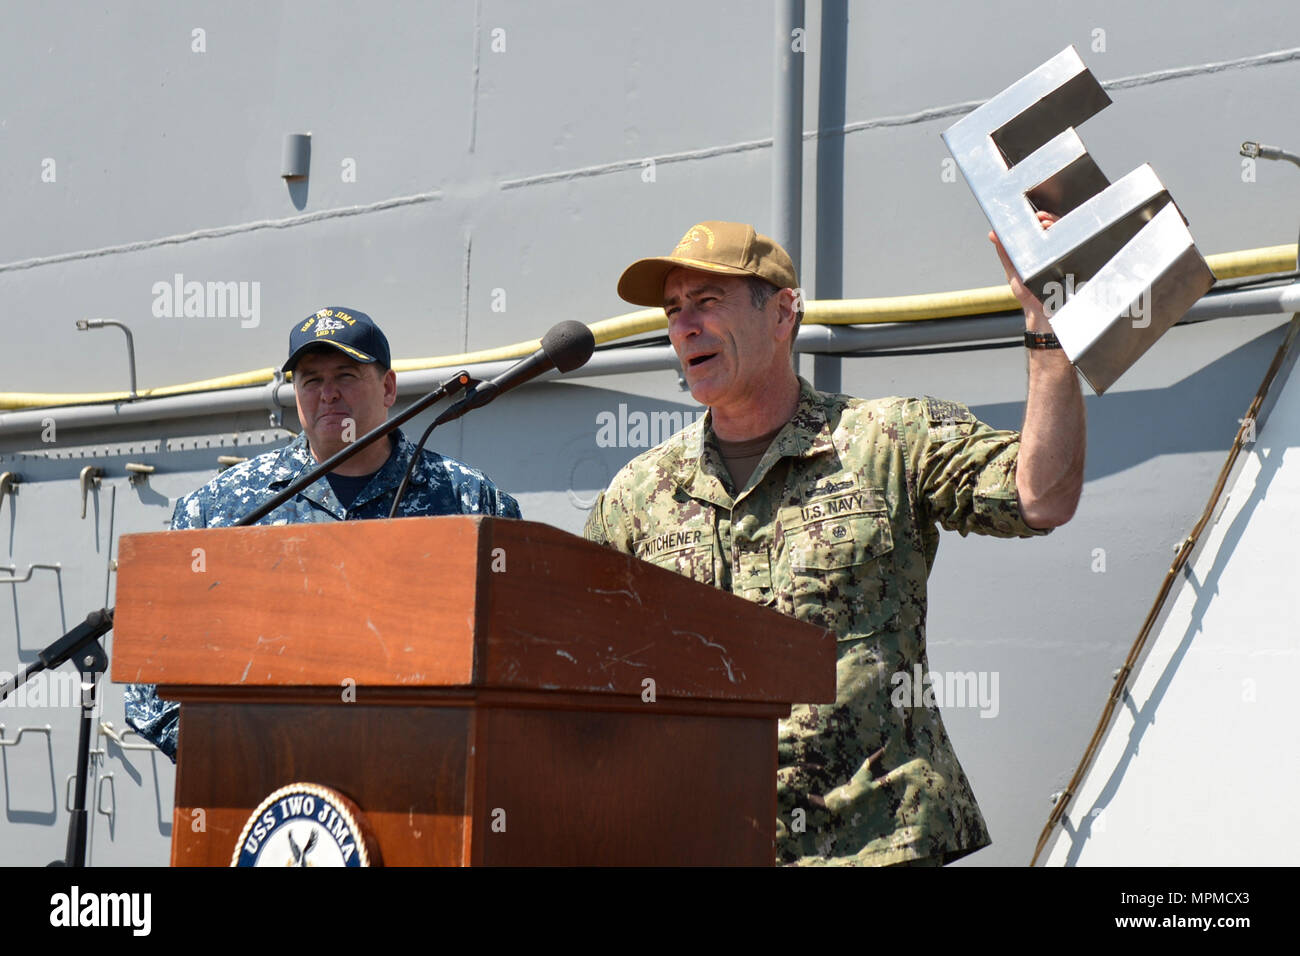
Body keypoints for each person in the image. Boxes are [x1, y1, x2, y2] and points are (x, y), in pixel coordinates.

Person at [583, 221, 1085, 865]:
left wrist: (1049, 333)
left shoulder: (889, 440)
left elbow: (1041, 497)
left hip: (877, 844)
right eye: (674, 310)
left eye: (708, 302)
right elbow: (581, 672)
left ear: (783, 313)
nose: (684, 327)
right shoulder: (637, 494)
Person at [124, 306, 521, 759]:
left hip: (426, 779)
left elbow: (521, 652)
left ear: (388, 387)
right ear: (295, 395)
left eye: (346, 376)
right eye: (311, 380)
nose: (328, 394)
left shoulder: (470, 501)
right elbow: (153, 683)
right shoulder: (221, 510)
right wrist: (233, 759)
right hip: (264, 792)